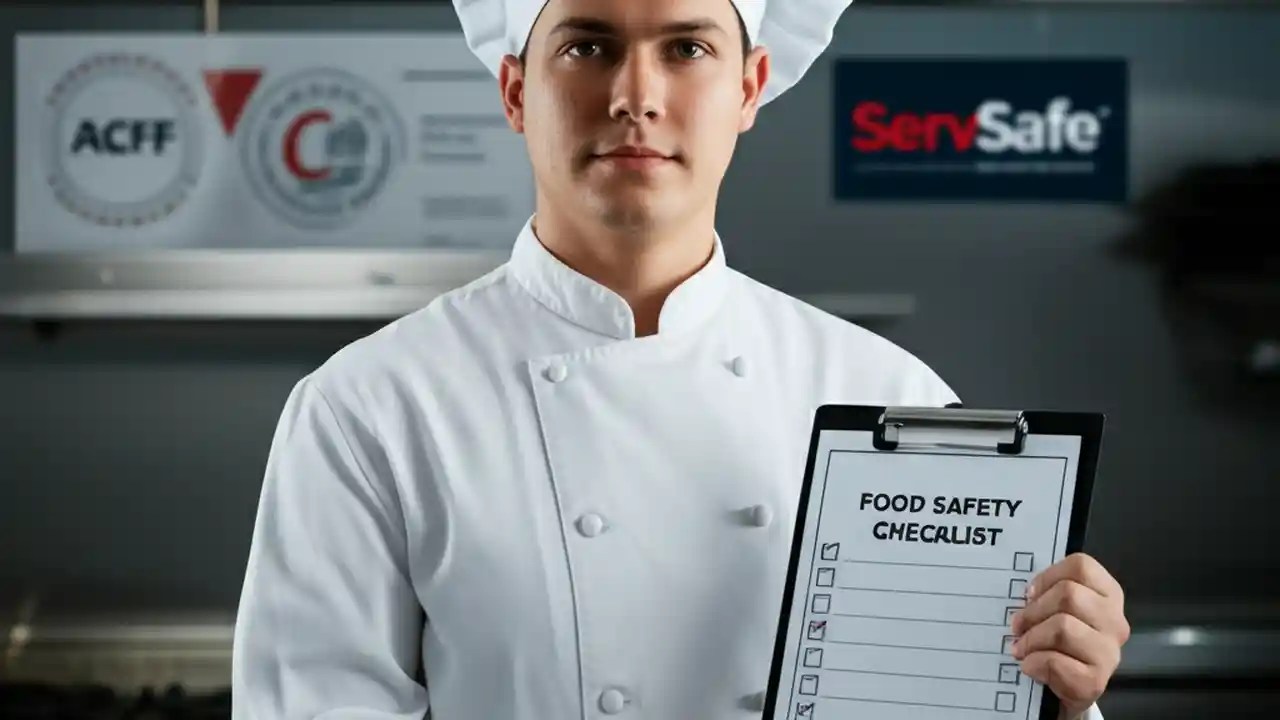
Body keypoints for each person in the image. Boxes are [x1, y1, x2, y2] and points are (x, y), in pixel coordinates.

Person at [230, 0, 1131, 718]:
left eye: (688, 48)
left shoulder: (888, 394)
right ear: (513, 91)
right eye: (586, 46)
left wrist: (1052, 693)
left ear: (750, 86)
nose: (635, 95)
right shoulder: (370, 407)